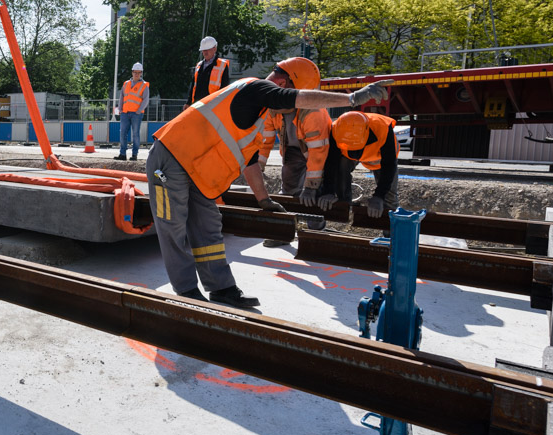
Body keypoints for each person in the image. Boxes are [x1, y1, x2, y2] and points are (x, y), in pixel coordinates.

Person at [147, 57, 390, 308]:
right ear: (283, 84)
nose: (294, 113)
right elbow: (295, 99)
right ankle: (186, 290)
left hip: (197, 171)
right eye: (294, 103)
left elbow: (250, 161)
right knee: (173, 227)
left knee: (208, 225)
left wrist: (264, 200)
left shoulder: (258, 116)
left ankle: (221, 288)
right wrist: (351, 99)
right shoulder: (253, 88)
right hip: (170, 160)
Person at [318, 111, 400, 218]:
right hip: (348, 154)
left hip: (378, 155)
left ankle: (390, 230)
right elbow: (331, 162)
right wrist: (328, 191)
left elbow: (389, 165)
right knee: (341, 166)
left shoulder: (382, 128)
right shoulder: (337, 129)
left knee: (389, 196)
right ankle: (344, 207)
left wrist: (379, 196)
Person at [257, 105, 332, 206]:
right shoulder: (271, 109)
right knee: (288, 191)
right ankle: (288, 214)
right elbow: (265, 141)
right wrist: (258, 166)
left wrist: (310, 187)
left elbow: (317, 152)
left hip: (322, 151)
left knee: (315, 195)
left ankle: (314, 217)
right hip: (292, 150)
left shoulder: (312, 111)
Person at [114, 62, 149, 161]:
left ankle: (134, 155)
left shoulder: (144, 85)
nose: (137, 74)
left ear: (141, 73)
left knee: (135, 134)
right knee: (123, 133)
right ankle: (122, 154)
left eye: (139, 72)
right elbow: (121, 97)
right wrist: (120, 109)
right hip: (125, 112)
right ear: (132, 72)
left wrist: (139, 110)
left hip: (136, 114)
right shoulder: (126, 84)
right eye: (135, 72)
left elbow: (146, 100)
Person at [190, 36, 230, 103]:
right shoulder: (199, 65)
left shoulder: (222, 65)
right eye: (203, 50)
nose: (205, 52)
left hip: (212, 104)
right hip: (198, 103)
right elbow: (193, 86)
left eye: (207, 49)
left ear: (214, 49)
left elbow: (225, 87)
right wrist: (189, 102)